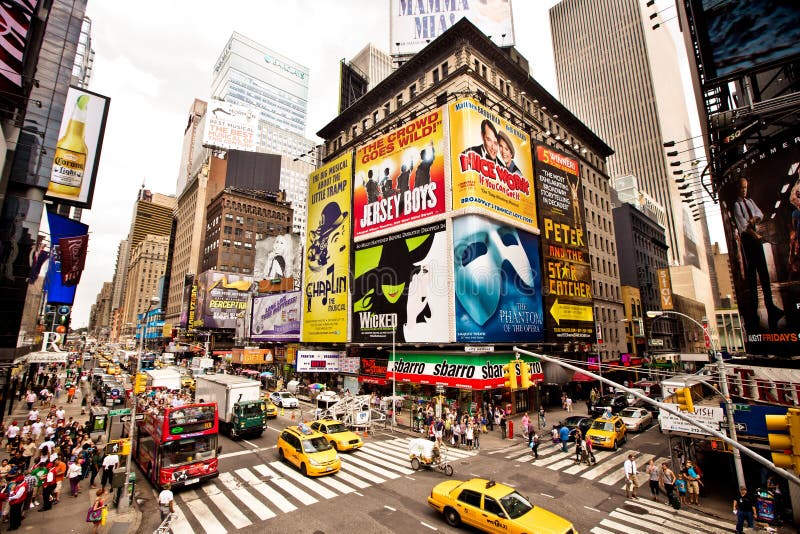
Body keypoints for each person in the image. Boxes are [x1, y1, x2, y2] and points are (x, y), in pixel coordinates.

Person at [733, 177, 784, 330]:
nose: (744, 190)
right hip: (748, 240)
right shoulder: (736, 206)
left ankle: (771, 307)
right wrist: (755, 234)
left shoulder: (749, 202)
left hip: (754, 238)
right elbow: (742, 226)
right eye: (742, 187)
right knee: (752, 274)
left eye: (746, 187)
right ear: (738, 188)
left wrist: (754, 219)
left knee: (763, 273)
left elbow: (759, 214)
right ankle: (753, 313)